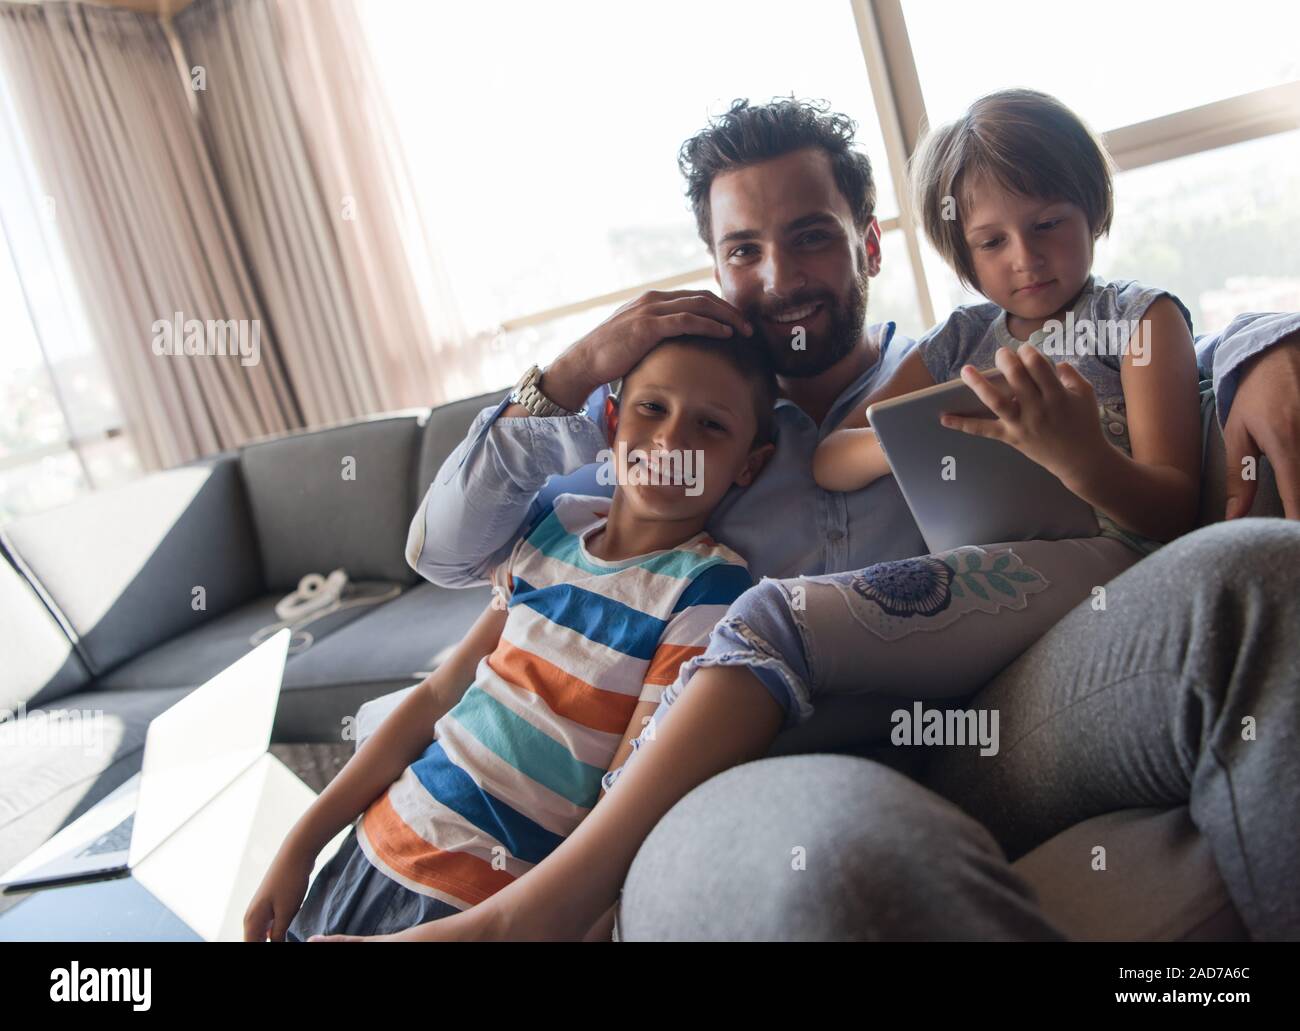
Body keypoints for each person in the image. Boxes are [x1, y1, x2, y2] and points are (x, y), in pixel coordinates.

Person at [368, 97, 1300, 940]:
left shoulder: (948, 362)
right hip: (754, 778)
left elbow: (1128, 352)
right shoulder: (679, 436)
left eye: (812, 237)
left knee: (1266, 576)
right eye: (745, 251)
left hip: (1005, 723)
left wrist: (1269, 344)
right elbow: (445, 553)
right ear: (717, 267)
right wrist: (572, 371)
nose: (781, 276)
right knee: (857, 865)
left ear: (873, 243)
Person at [242, 334, 777, 941]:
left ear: (748, 465)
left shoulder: (706, 591)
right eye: (652, 409)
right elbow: (438, 696)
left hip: (482, 911)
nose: (671, 442)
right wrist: (302, 842)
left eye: (710, 426)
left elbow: (627, 803)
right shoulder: (555, 530)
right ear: (611, 419)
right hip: (374, 844)